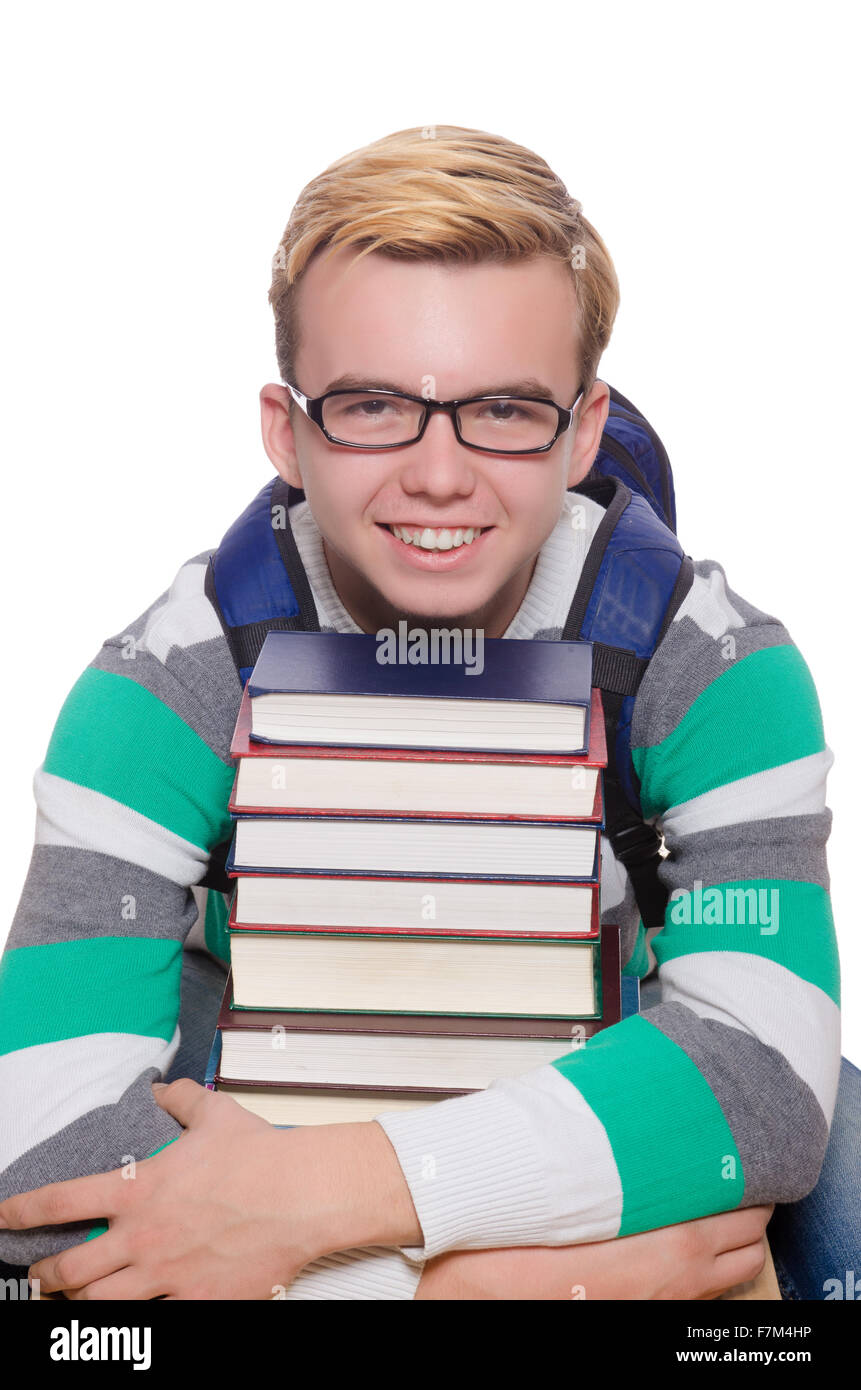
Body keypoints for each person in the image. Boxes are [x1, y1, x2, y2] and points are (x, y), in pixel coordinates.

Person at [0, 125, 855, 1301]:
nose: (440, 474)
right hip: (270, 1069)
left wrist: (313, 1211)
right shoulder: (165, 682)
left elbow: (763, 1086)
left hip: (585, 1066)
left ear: (587, 429)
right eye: (370, 406)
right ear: (286, 431)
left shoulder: (713, 664)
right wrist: (488, 1287)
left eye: (505, 409)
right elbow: (37, 1147)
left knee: (843, 1187)